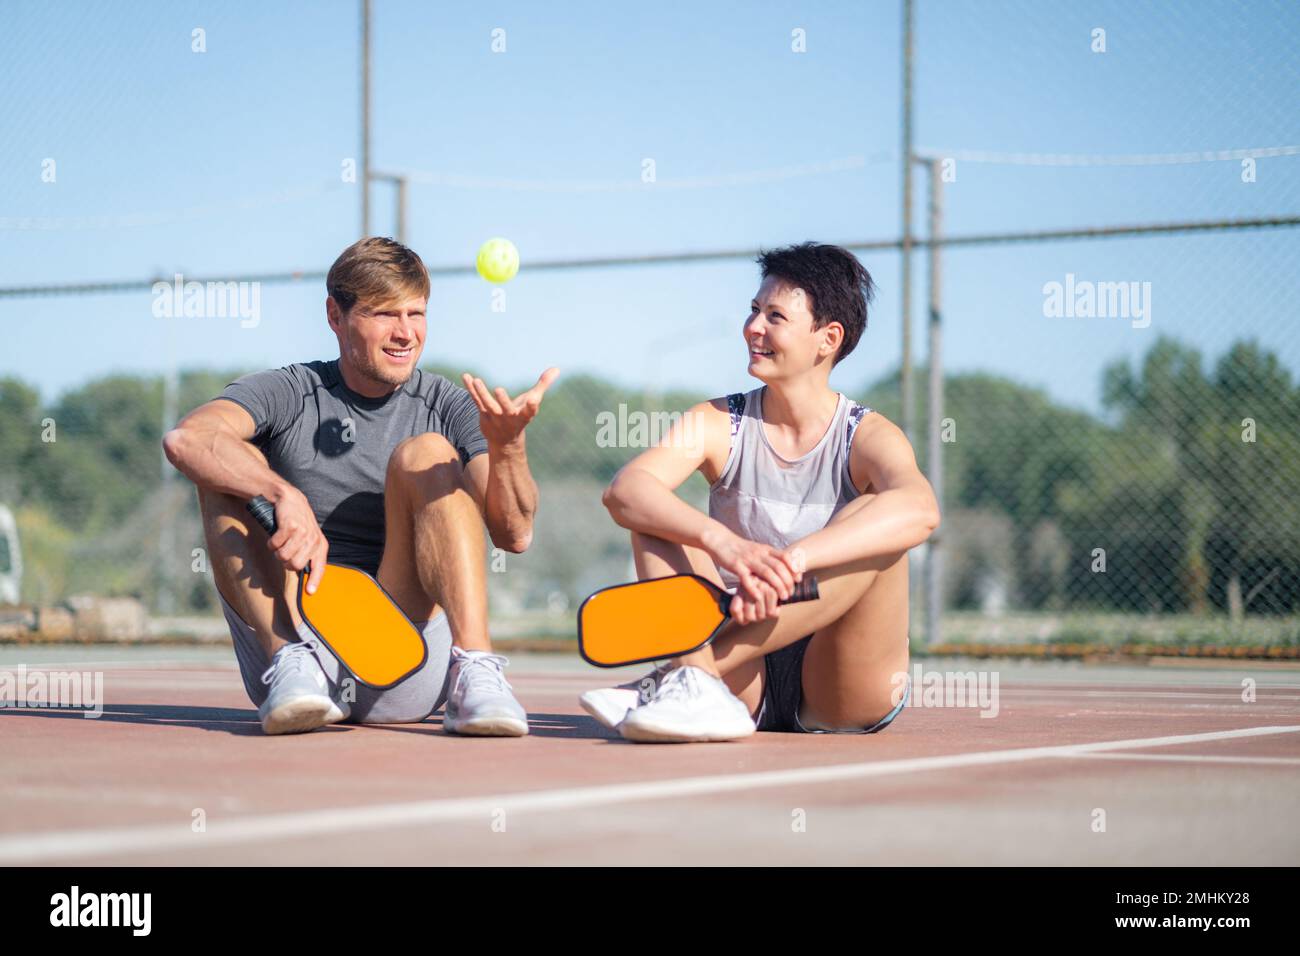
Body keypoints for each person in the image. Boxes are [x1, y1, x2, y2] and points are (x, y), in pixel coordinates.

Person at [164, 237, 557, 736]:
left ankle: (475, 671)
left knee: (430, 453)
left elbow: (514, 535)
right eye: (383, 314)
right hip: (296, 647)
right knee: (225, 461)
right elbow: (186, 439)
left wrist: (508, 450)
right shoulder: (289, 391)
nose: (405, 333)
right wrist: (283, 493)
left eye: (416, 313)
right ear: (335, 315)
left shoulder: (447, 404)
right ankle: (291, 660)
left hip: (400, 652)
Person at [582, 242, 938, 742]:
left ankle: (683, 676)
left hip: (840, 679)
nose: (753, 328)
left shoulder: (868, 435)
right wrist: (726, 545)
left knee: (878, 521)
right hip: (741, 673)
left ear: (827, 339)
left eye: (775, 316)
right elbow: (626, 491)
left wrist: (789, 563)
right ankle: (696, 683)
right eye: (753, 311)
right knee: (652, 512)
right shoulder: (717, 421)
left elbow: (920, 511)